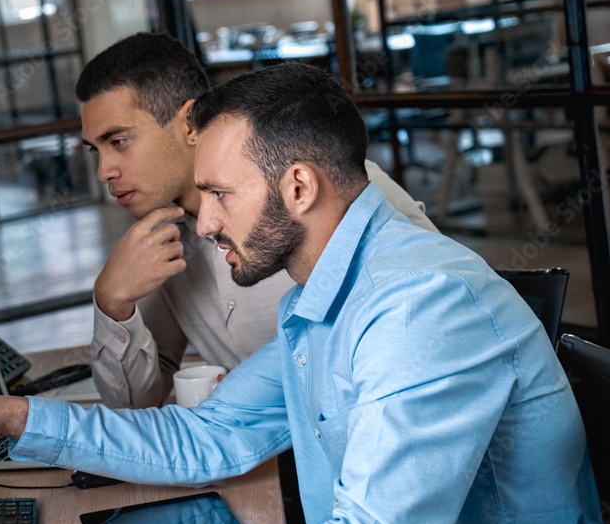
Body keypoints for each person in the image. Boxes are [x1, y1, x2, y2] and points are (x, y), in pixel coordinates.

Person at [0, 63, 604, 524]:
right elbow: (207, 434)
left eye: (220, 194)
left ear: (300, 186)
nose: (204, 221)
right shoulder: (322, 298)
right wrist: (15, 417)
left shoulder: (419, 305)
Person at [76, 32, 438, 409]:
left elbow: (429, 320)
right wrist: (111, 301)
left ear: (188, 123)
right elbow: (136, 402)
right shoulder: (164, 238)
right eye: (94, 150)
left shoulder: (335, 185)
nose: (104, 172)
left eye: (118, 141)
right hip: (260, 452)